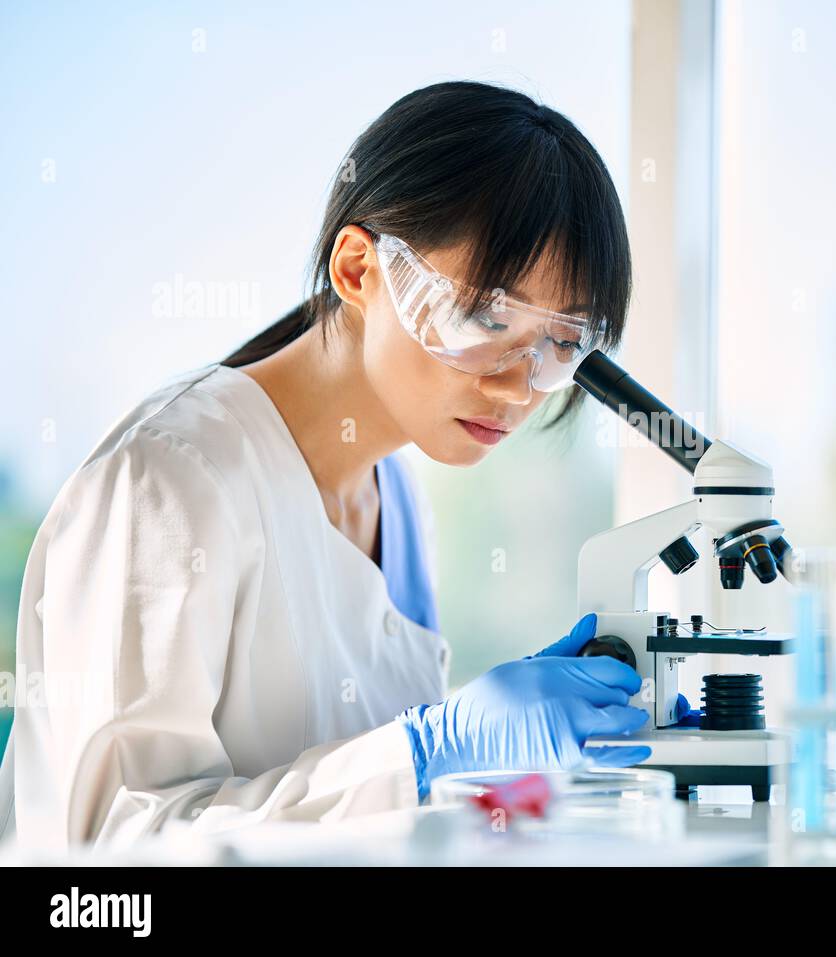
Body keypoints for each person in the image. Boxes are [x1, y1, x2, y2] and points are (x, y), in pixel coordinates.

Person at [0, 81, 651, 853]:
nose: (518, 385)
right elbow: (107, 850)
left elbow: (356, 809)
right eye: (485, 317)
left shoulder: (400, 502)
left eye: (561, 345)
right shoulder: (167, 478)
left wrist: (483, 770)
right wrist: (423, 749)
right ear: (357, 269)